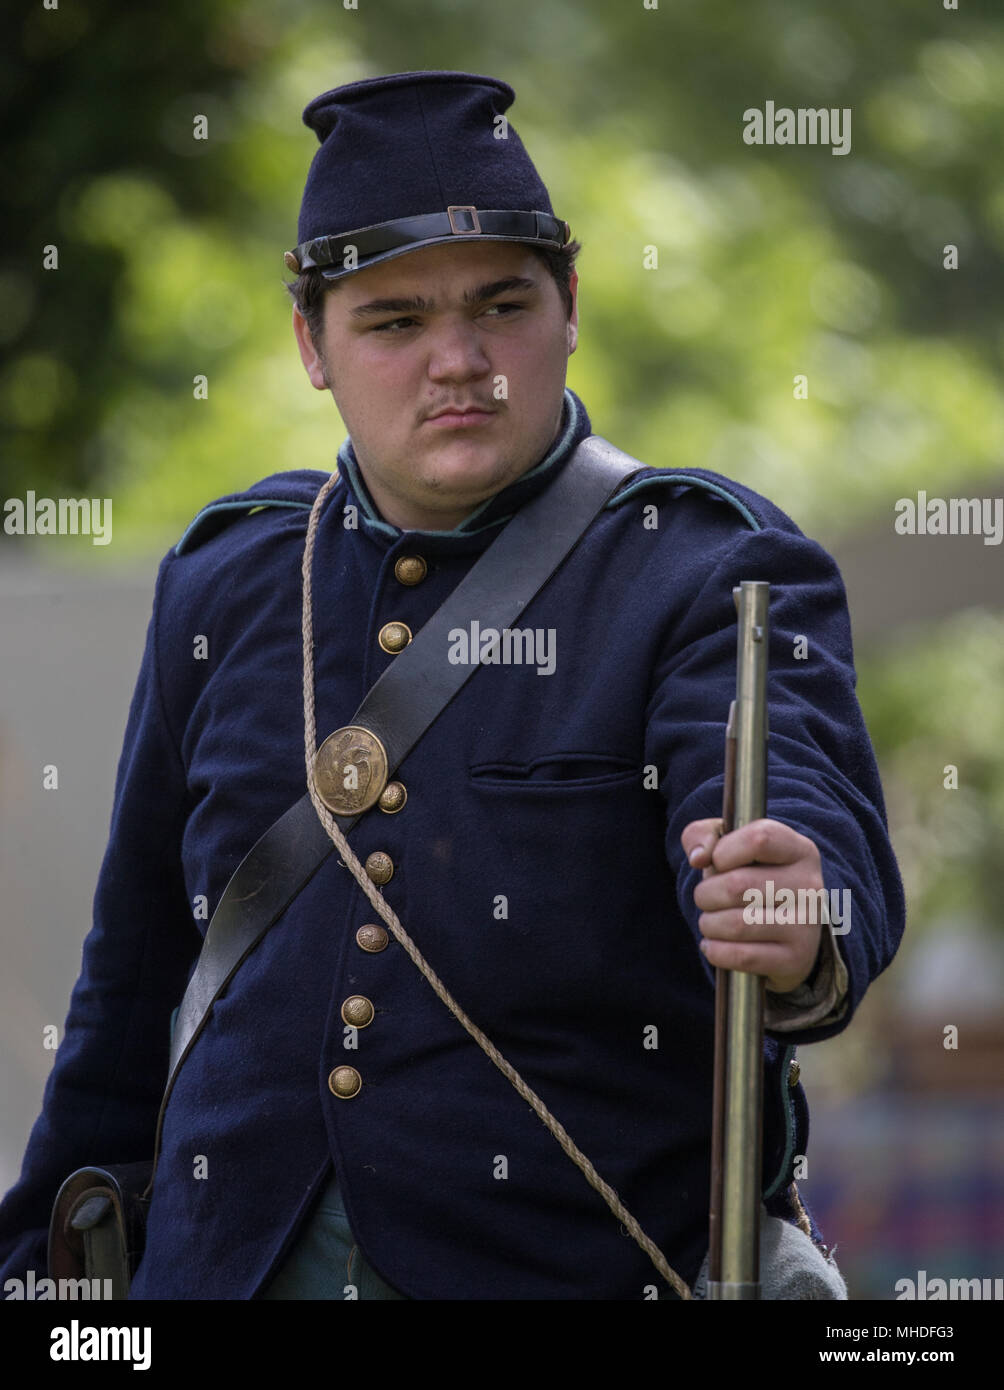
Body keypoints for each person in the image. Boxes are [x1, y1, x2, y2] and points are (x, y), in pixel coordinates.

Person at [0, 70, 904, 1301]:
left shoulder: (706, 570)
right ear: (311, 345)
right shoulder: (227, 579)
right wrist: (45, 1289)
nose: (459, 361)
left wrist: (796, 916)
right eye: (393, 322)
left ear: (569, 304)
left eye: (500, 305)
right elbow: (132, 979)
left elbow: (795, 819)